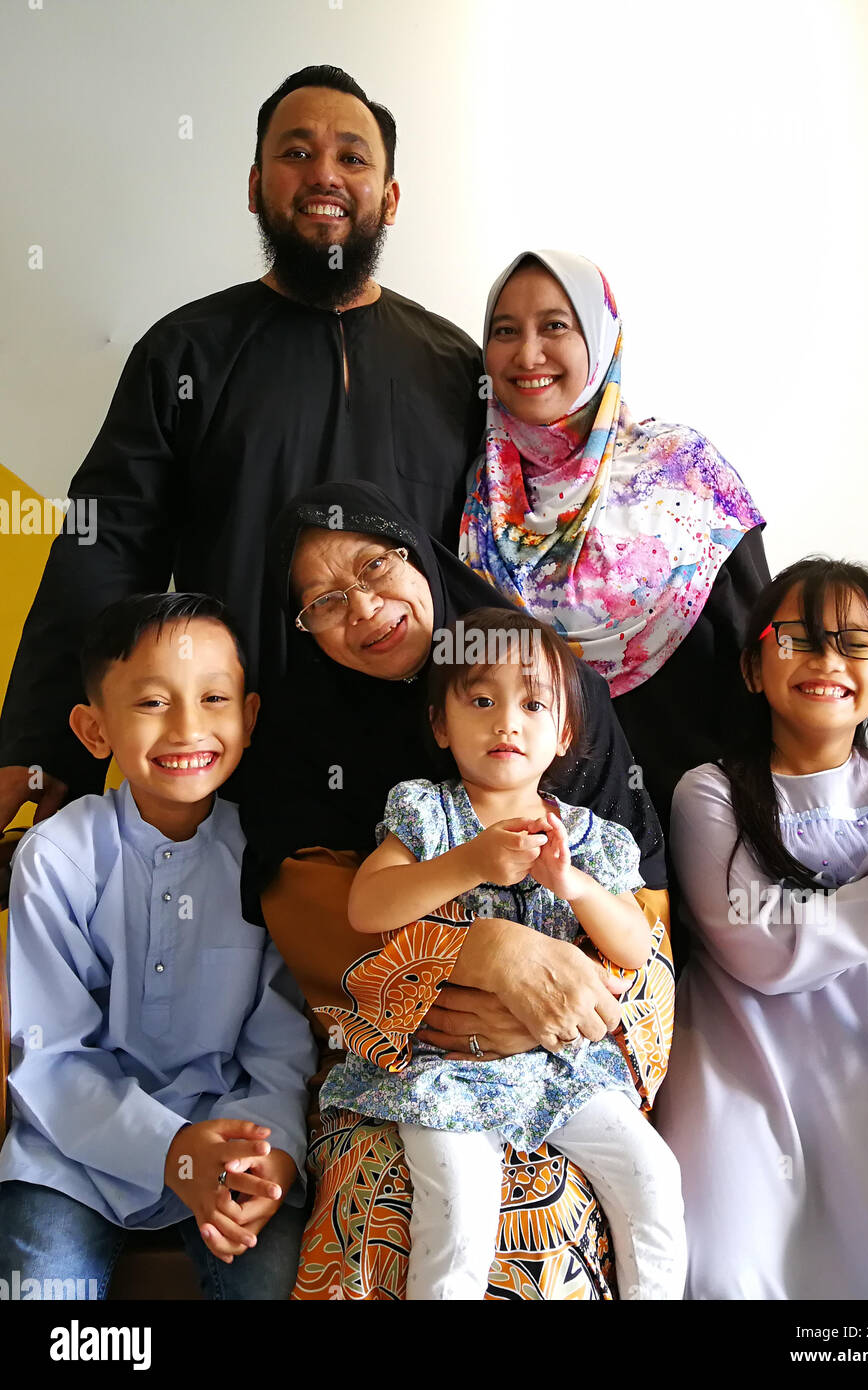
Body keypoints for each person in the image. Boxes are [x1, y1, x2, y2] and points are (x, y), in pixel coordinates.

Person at [0, 64, 484, 829]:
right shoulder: (185, 353)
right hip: (228, 780)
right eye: (296, 153)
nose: (323, 173)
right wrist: (40, 747)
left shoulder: (457, 366)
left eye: (352, 157)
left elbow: (491, 560)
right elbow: (102, 551)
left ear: (389, 199)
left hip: (434, 780)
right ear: (256, 185)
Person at [239, 481, 677, 1300]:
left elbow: (641, 923)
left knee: (585, 1212)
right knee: (400, 1211)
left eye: (375, 565)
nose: (364, 607)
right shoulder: (310, 737)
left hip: (567, 1058)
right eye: (325, 600)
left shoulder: (551, 685)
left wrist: (573, 1002)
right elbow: (311, 904)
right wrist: (469, 952)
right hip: (409, 1060)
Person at [318, 605, 687, 1300]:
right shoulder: (426, 813)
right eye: (480, 700)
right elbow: (368, 907)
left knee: (653, 1179)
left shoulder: (590, 836)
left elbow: (635, 946)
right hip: (445, 1070)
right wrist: (471, 862)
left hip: (561, 1068)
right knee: (460, 1207)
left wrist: (571, 882)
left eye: (531, 703)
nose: (506, 721)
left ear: (564, 733)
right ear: (439, 724)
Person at [652, 557, 868, 1299]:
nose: (826, 659)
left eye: (856, 643)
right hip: (740, 1077)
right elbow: (768, 949)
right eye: (797, 638)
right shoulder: (712, 793)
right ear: (752, 668)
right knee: (727, 1273)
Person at [0, 593, 318, 1300]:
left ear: (250, 716)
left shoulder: (267, 856)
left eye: (213, 698)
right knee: (39, 1290)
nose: (188, 728)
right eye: (151, 703)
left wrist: (273, 1160)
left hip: (232, 1138)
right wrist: (172, 1150)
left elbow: (277, 1047)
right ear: (93, 729)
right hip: (69, 1153)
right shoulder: (57, 856)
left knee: (279, 1284)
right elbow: (50, 1052)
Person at [460, 249, 769, 847]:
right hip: (543, 842)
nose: (528, 355)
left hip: (704, 819)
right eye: (505, 331)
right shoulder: (478, 498)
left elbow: (759, 650)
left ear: (600, 341)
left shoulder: (685, 472)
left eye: (555, 326)